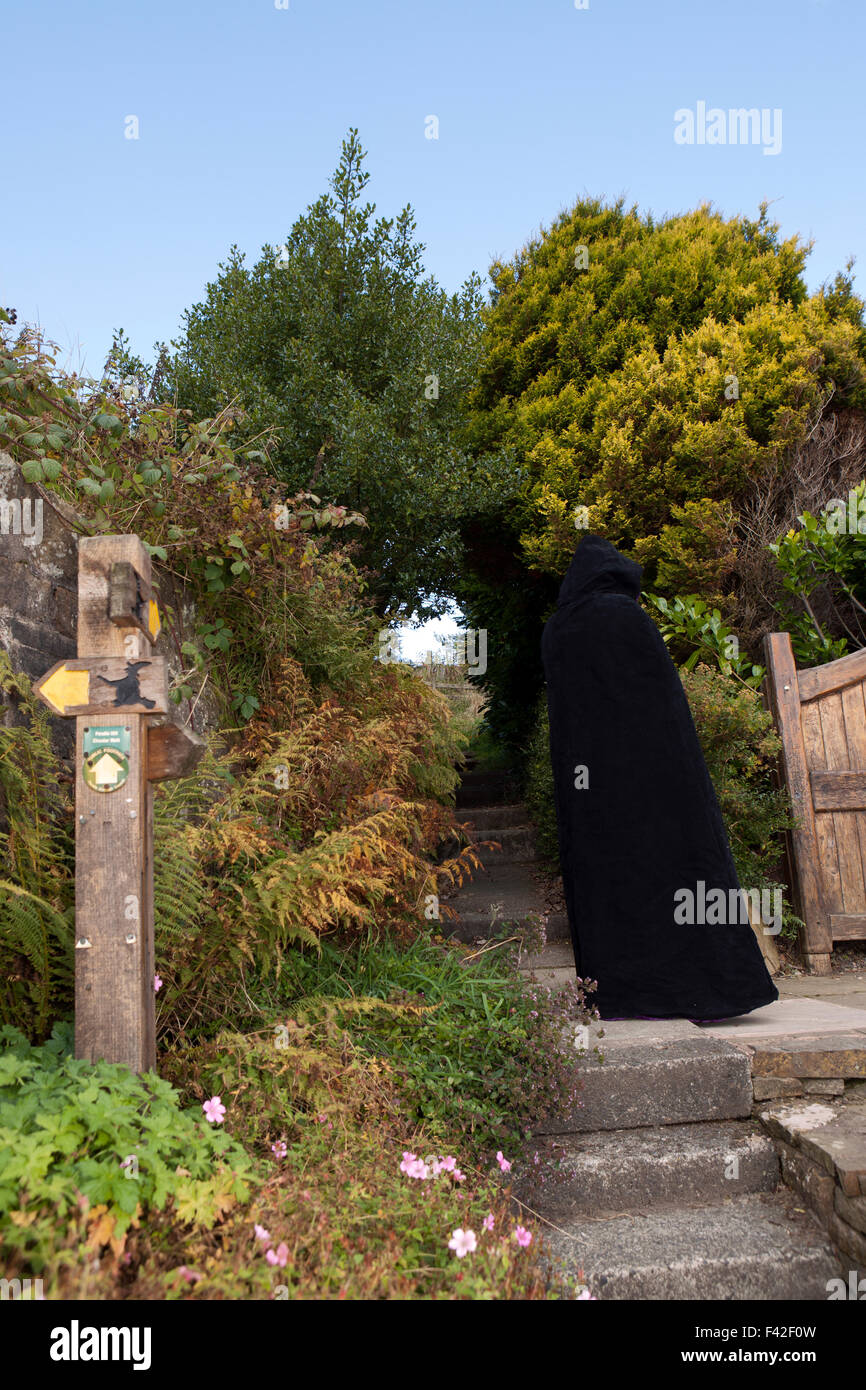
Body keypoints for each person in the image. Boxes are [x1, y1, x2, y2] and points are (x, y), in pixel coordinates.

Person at [541, 532, 779, 1021]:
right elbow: (666, 711)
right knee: (679, 868)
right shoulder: (629, 618)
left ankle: (618, 992)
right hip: (658, 782)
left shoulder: (557, 629)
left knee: (604, 877)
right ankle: (708, 985)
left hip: (587, 789)